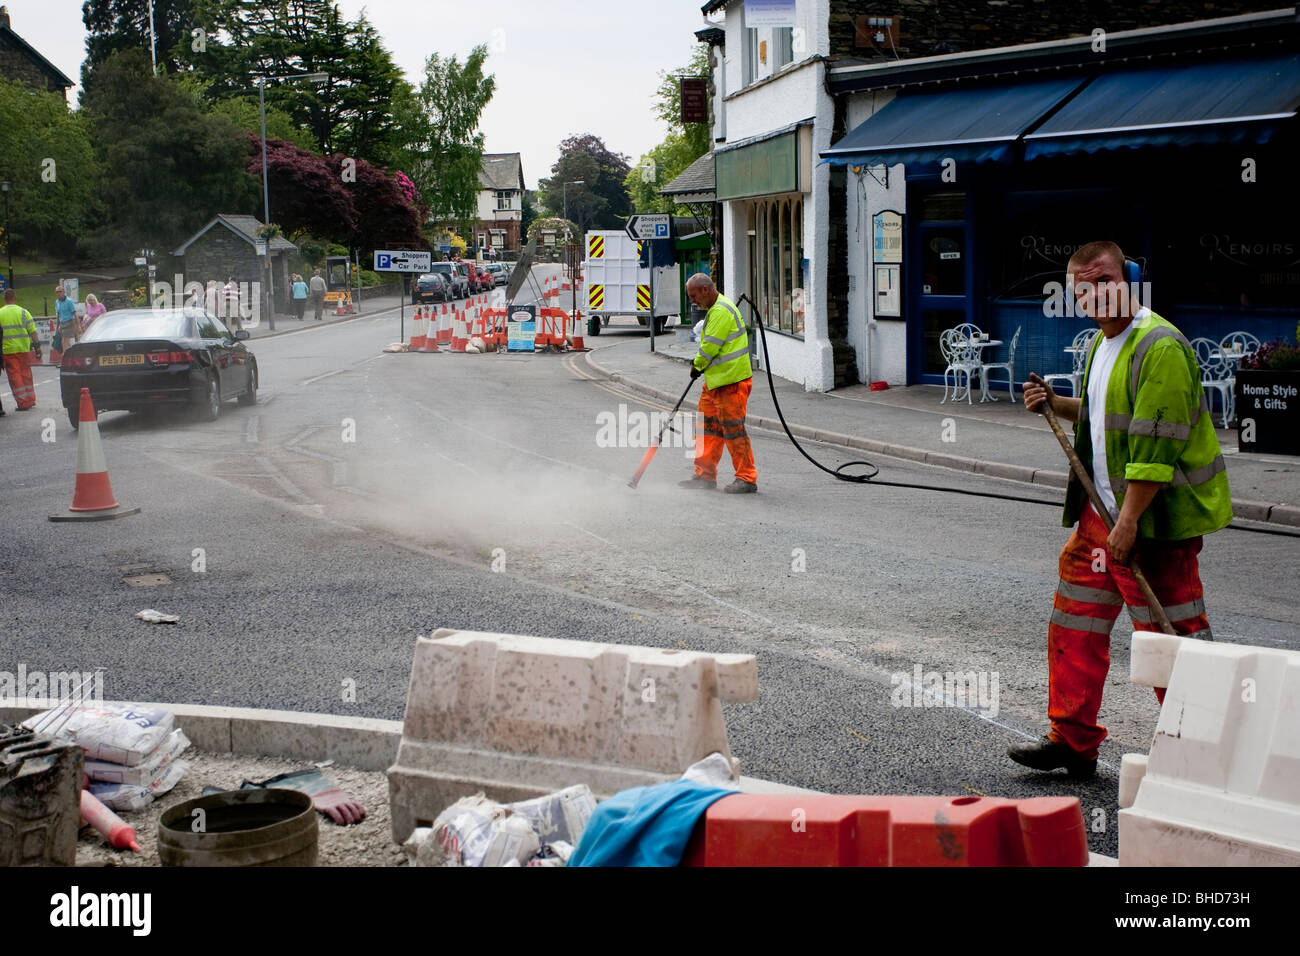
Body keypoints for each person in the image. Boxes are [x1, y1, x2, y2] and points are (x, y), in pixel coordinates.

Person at [1011, 240, 1232, 779]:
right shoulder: (1102, 346)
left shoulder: (1160, 347)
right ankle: (1072, 738)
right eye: (1084, 288)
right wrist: (1056, 404)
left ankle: (1206, 752)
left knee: (1171, 639)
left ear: (1130, 277)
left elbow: (1156, 444)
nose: (1096, 293)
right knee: (1075, 619)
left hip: (1151, 524)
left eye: (1105, 280)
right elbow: (1104, 413)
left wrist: (1129, 523)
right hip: (1104, 517)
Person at [679, 273, 758, 494]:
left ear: (705, 290)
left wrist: (696, 366)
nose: (692, 301)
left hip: (731, 382)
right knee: (707, 430)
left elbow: (709, 349)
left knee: (734, 431)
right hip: (715, 382)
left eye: (694, 296)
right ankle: (704, 475)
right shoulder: (715, 310)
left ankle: (747, 478)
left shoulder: (721, 311)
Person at [0, 289, 41, 413]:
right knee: (26, 374)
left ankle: (23, 403)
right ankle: (31, 399)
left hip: (8, 350)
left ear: (4, 298)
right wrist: (37, 347)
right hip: (23, 349)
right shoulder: (24, 312)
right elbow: (32, 331)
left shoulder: (0, 313)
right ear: (15, 297)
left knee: (15, 376)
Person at [54, 285, 77, 352]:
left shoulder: (69, 301)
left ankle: (65, 356)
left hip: (69, 323)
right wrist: (57, 327)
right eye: (57, 292)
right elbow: (58, 314)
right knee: (66, 343)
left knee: (64, 342)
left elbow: (75, 313)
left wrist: (78, 326)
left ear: (64, 292)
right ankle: (72, 354)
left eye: (60, 291)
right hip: (62, 323)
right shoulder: (57, 302)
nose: (58, 293)